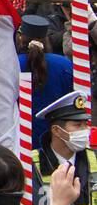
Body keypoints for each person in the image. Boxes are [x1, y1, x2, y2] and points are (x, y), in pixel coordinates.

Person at [33, 92, 93, 205]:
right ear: (56, 130)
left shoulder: (94, 160)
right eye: (77, 125)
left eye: (85, 124)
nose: (84, 130)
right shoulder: (31, 166)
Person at [19, 14, 75, 155]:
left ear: (22, 38)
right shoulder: (64, 65)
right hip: (57, 140)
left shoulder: (12, 64)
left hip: (21, 139)